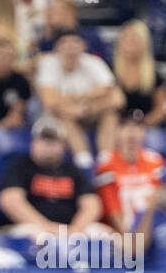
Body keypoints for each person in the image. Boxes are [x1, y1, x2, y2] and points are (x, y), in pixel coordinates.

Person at [0, 116, 106, 242]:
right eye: (43, 140)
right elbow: (10, 201)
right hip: (32, 226)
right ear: (33, 142)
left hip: (71, 228)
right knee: (40, 237)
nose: (48, 146)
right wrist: (46, 226)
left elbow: (92, 205)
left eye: (53, 141)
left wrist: (75, 229)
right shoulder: (19, 167)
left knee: (107, 236)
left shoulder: (73, 170)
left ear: (64, 145)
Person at [35, 29, 122, 169]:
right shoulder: (48, 63)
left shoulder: (94, 63)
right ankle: (83, 160)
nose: (70, 48)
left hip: (90, 113)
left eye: (75, 42)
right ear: (57, 47)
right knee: (62, 114)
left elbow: (118, 98)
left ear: (84, 46)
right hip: (60, 118)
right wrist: (93, 95)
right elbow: (50, 101)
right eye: (65, 43)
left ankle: (106, 159)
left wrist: (84, 104)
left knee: (110, 114)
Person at [93, 111, 163, 234]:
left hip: (149, 228)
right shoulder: (106, 164)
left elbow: (160, 198)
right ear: (117, 132)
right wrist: (128, 236)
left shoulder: (155, 161)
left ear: (144, 133)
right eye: (126, 127)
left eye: (137, 128)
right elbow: (111, 207)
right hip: (116, 231)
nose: (132, 133)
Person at [112, 19, 166, 134]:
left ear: (144, 42)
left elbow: (160, 110)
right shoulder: (109, 72)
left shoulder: (154, 75)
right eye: (125, 38)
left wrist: (141, 126)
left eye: (133, 39)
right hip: (116, 129)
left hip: (146, 128)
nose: (129, 42)